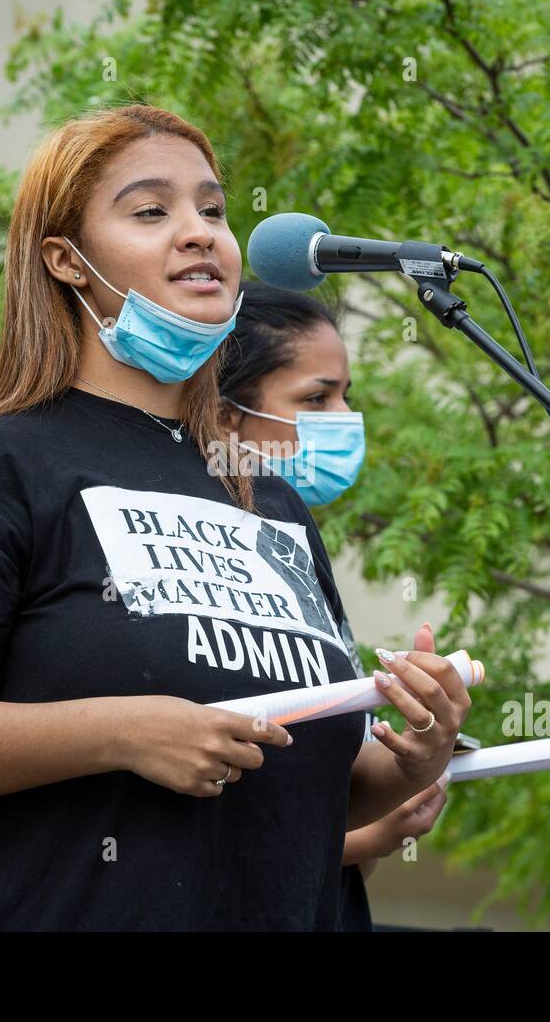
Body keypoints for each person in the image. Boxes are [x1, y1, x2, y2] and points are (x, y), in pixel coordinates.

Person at [0, 104, 472, 931]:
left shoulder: (263, 494)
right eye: (151, 211)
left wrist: (412, 753)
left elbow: (316, 790)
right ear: (65, 261)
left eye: (212, 209)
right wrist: (118, 731)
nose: (200, 232)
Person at [217, 282, 452, 932]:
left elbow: (309, 809)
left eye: (346, 395)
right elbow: (213, 828)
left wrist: (411, 760)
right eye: (316, 398)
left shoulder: (294, 539)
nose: (344, 417)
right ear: (226, 415)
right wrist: (370, 835)